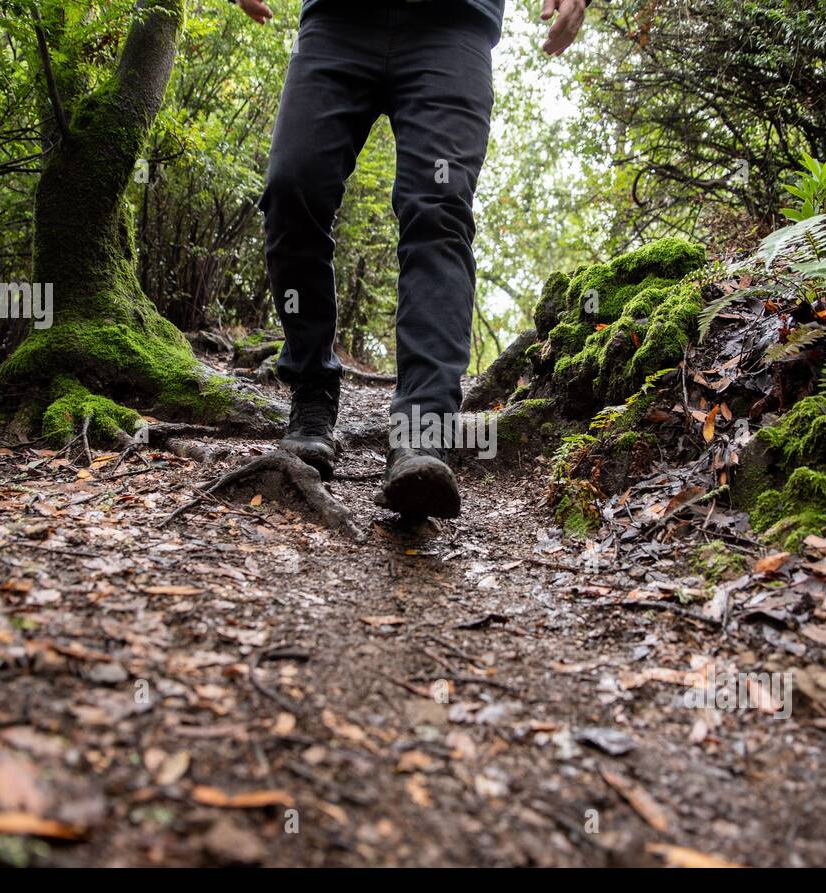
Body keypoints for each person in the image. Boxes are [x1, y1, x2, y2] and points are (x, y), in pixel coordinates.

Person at [237, 0, 588, 517]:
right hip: (337, 26)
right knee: (292, 191)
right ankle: (311, 396)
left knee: (437, 207)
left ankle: (422, 432)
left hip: (453, 30)